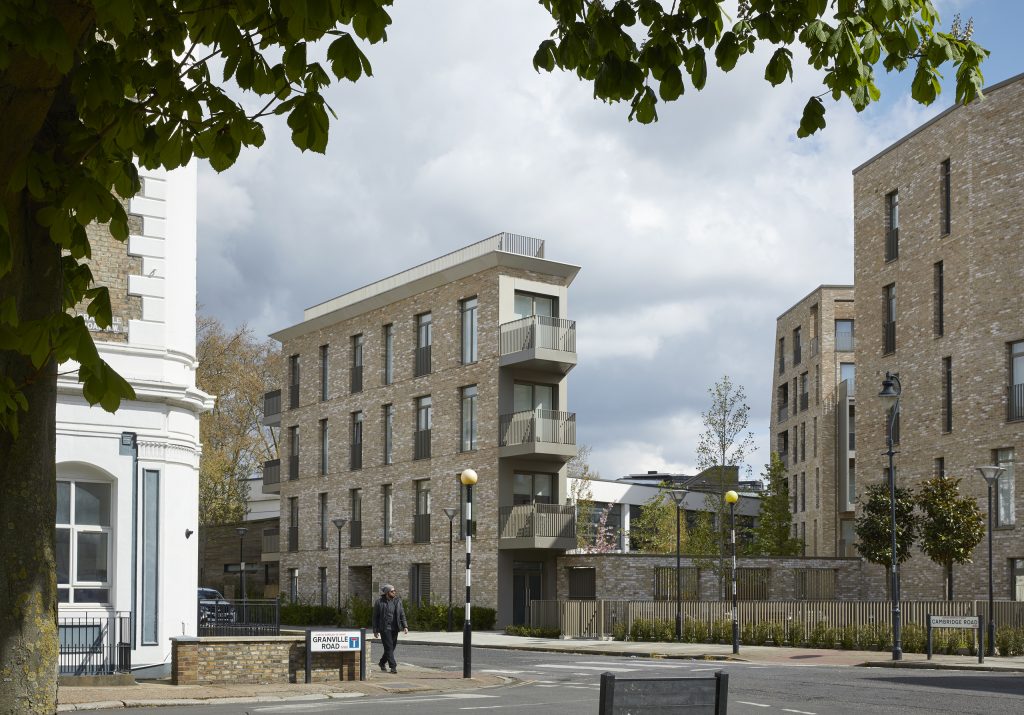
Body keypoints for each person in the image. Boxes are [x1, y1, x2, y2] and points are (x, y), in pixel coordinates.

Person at [371, 584, 408, 673]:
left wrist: (405, 626)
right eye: (392, 591)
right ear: (387, 592)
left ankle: (382, 662)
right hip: (385, 628)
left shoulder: (398, 601)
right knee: (389, 647)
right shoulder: (379, 602)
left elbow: (402, 614)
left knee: (391, 648)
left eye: (394, 591)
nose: (394, 592)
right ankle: (393, 666)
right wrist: (375, 630)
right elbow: (375, 617)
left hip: (395, 628)